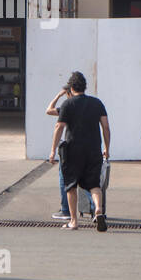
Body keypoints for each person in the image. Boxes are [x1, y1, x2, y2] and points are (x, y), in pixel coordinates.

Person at [48, 71, 110, 232]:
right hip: (93, 149)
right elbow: (106, 127)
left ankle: (74, 221)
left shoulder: (68, 104)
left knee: (71, 185)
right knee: (94, 184)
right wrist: (107, 148)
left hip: (72, 150)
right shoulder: (97, 103)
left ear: (71, 87)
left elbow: (59, 127)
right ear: (84, 86)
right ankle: (98, 210)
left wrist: (53, 150)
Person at [45, 85, 92, 221]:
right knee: (88, 180)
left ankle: (66, 210)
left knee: (66, 180)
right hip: (86, 147)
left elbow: (48, 111)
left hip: (70, 148)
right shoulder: (88, 106)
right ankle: (96, 207)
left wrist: (58, 96)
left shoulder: (66, 107)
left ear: (69, 92)